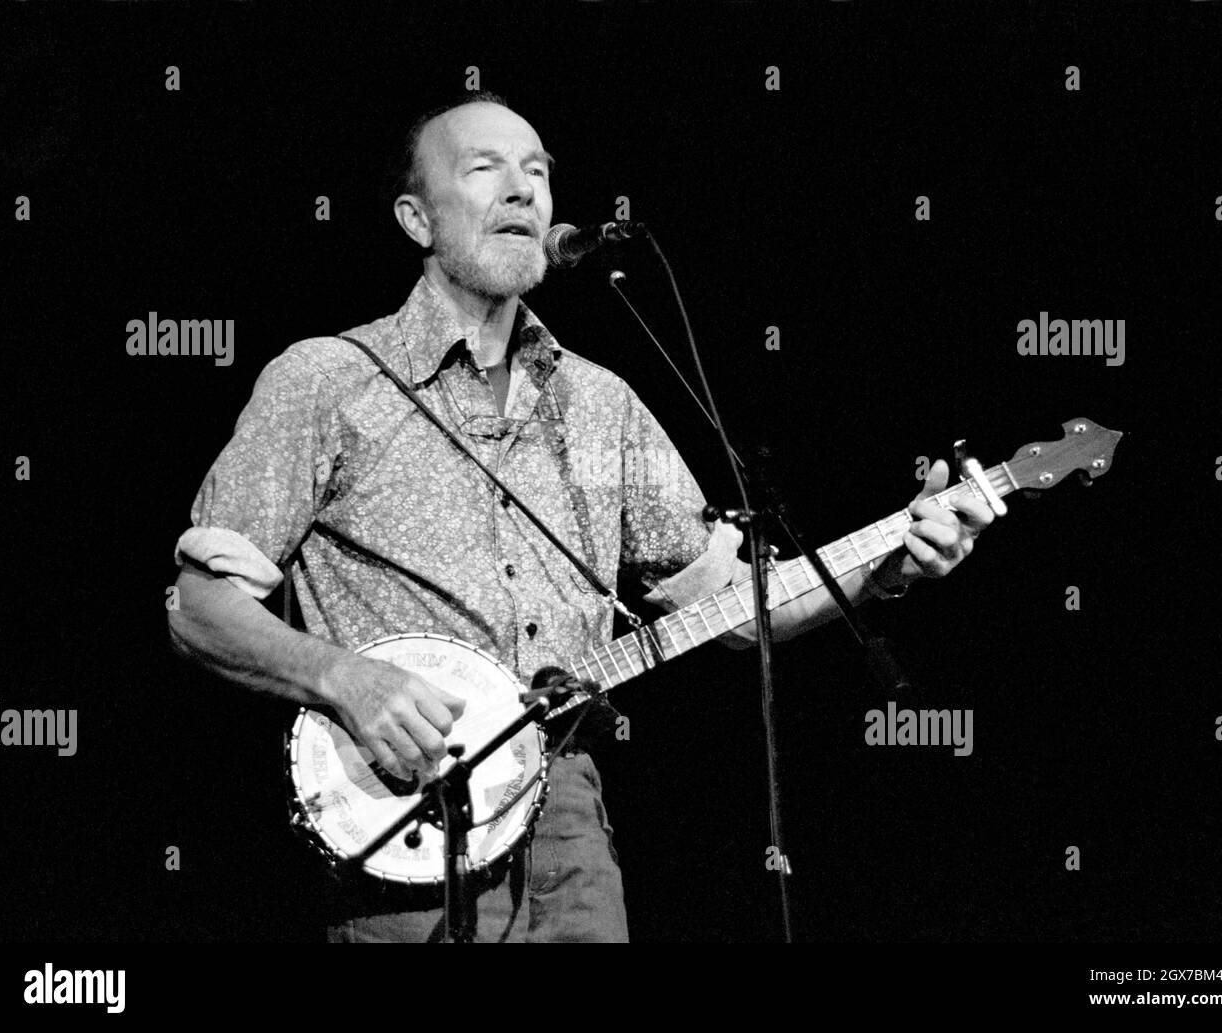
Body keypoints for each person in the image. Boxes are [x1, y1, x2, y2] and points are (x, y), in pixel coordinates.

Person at [167, 91, 994, 942]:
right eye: (485, 168)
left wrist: (894, 552)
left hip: (566, 815)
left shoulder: (602, 404)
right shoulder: (326, 380)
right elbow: (201, 610)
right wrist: (345, 680)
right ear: (417, 219)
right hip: (402, 814)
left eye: (537, 172)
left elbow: (745, 607)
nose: (523, 190)